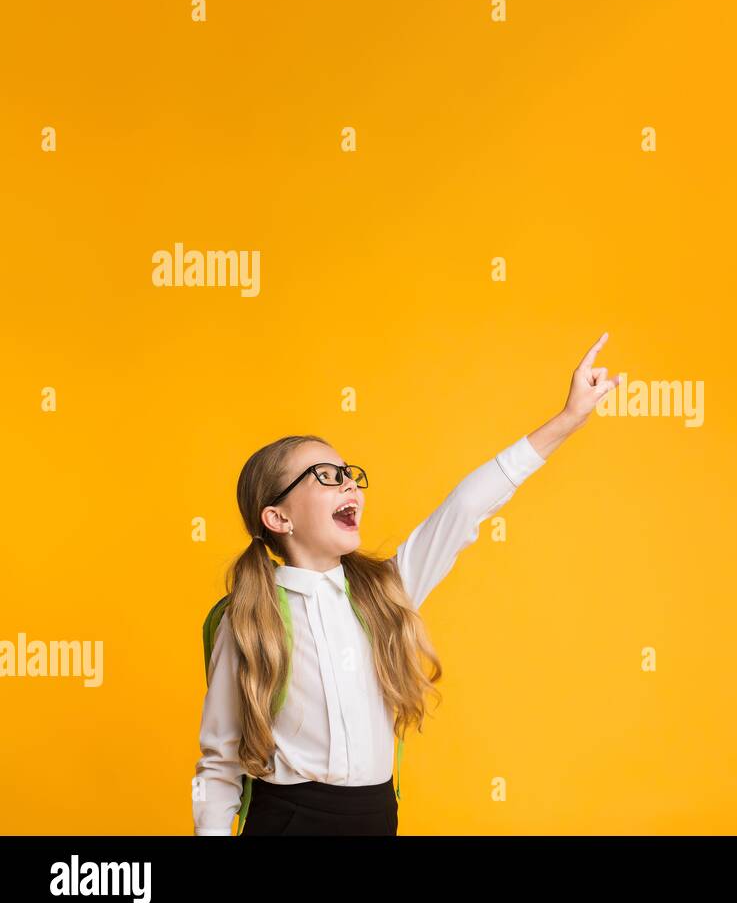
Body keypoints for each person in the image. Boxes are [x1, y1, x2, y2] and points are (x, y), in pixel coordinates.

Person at [193, 332, 620, 834]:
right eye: (325, 476)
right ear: (278, 517)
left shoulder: (386, 590)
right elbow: (219, 764)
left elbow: (463, 509)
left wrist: (566, 421)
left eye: (349, 473)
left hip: (374, 817)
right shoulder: (248, 620)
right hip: (286, 820)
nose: (349, 482)